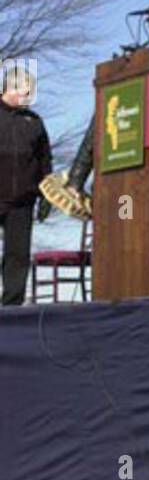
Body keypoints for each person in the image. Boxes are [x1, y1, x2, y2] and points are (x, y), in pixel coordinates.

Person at [0, 71, 51, 305]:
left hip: (23, 199)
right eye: (25, 90)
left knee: (17, 255)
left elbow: (44, 161)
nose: (29, 95)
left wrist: (46, 197)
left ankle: (11, 307)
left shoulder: (35, 122)